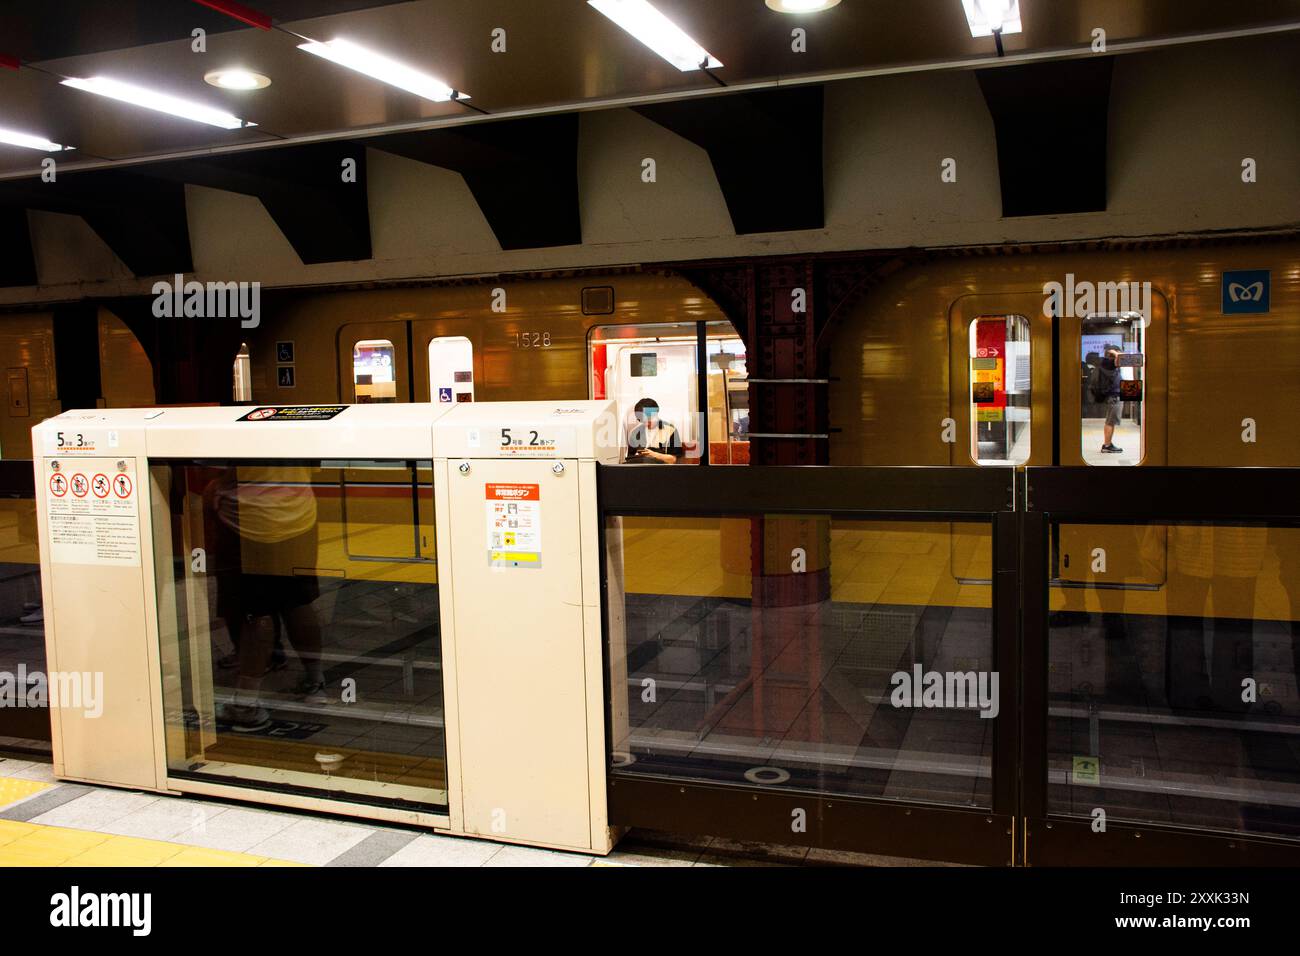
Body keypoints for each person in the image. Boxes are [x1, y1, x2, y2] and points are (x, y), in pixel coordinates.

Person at [1088, 345, 1124, 454]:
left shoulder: (1107, 363)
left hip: (1113, 396)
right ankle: (1107, 445)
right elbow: (1122, 359)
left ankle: (1108, 443)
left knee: (1111, 421)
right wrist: (1115, 353)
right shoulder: (1109, 363)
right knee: (1110, 421)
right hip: (1114, 397)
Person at [625, 397, 683, 464]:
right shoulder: (635, 432)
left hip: (662, 470)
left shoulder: (670, 430)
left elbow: (673, 460)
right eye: (642, 420)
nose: (646, 423)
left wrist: (653, 454)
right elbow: (629, 459)